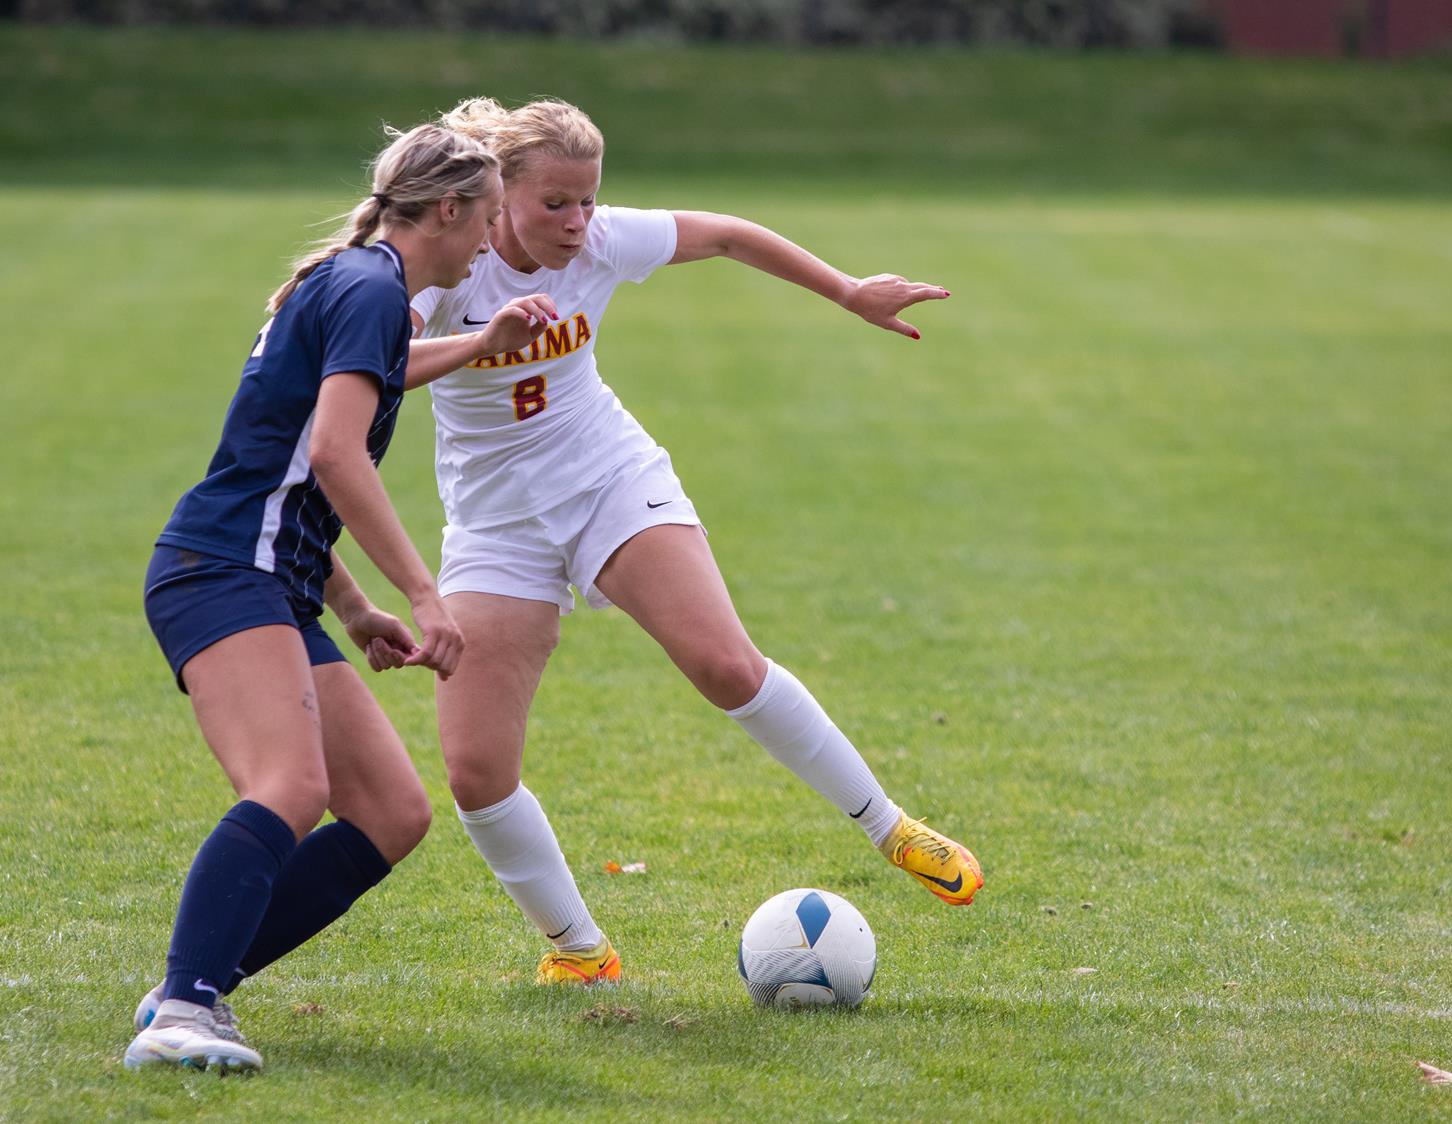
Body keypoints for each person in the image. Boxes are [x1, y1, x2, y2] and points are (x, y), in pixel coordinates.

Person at [402, 97, 983, 985]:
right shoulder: (448, 269)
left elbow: (727, 235)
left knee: (724, 664)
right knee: (476, 774)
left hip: (608, 477)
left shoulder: (600, 242)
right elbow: (375, 363)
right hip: (496, 524)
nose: (577, 221)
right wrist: (486, 339)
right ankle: (580, 950)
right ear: (500, 195)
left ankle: (891, 828)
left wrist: (848, 290)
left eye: (588, 199)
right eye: (555, 203)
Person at [123, 123, 547, 1070]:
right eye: (486, 218)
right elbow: (332, 453)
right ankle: (184, 1008)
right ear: (447, 210)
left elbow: (307, 456)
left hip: (271, 576)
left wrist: (354, 609)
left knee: (392, 811)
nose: (491, 240)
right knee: (291, 787)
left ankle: (194, 983)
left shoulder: (363, 286)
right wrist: (424, 593)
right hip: (223, 570)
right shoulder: (371, 292)